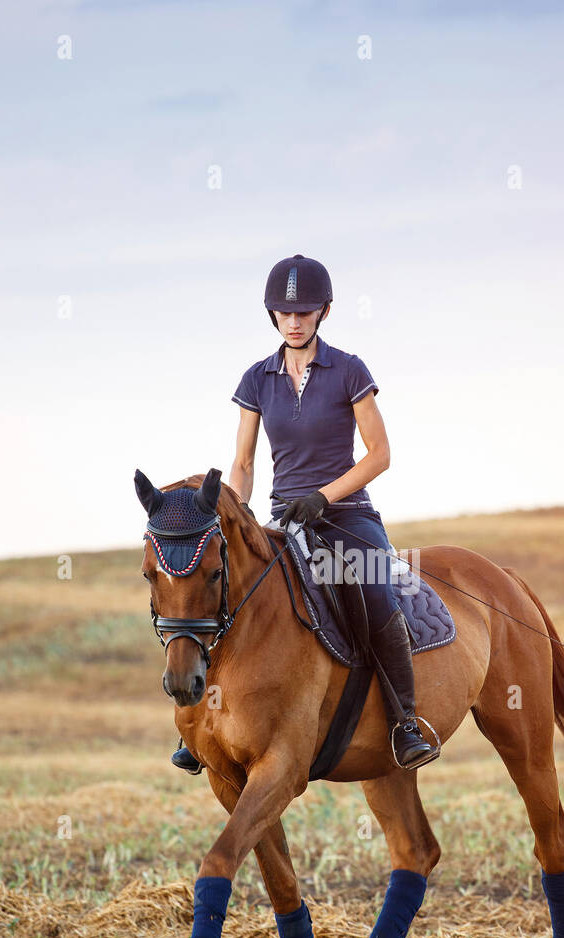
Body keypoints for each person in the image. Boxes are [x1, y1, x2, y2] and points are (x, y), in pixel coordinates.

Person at [171, 254, 439, 774]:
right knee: (222, 590)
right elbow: (244, 463)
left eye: (305, 313)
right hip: (282, 520)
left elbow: (379, 454)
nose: (294, 322)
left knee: (375, 590)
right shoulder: (257, 379)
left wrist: (325, 496)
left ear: (325, 312)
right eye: (284, 313)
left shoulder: (349, 370)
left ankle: (405, 723)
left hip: (348, 517)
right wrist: (238, 514)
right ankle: (200, 724)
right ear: (273, 315)